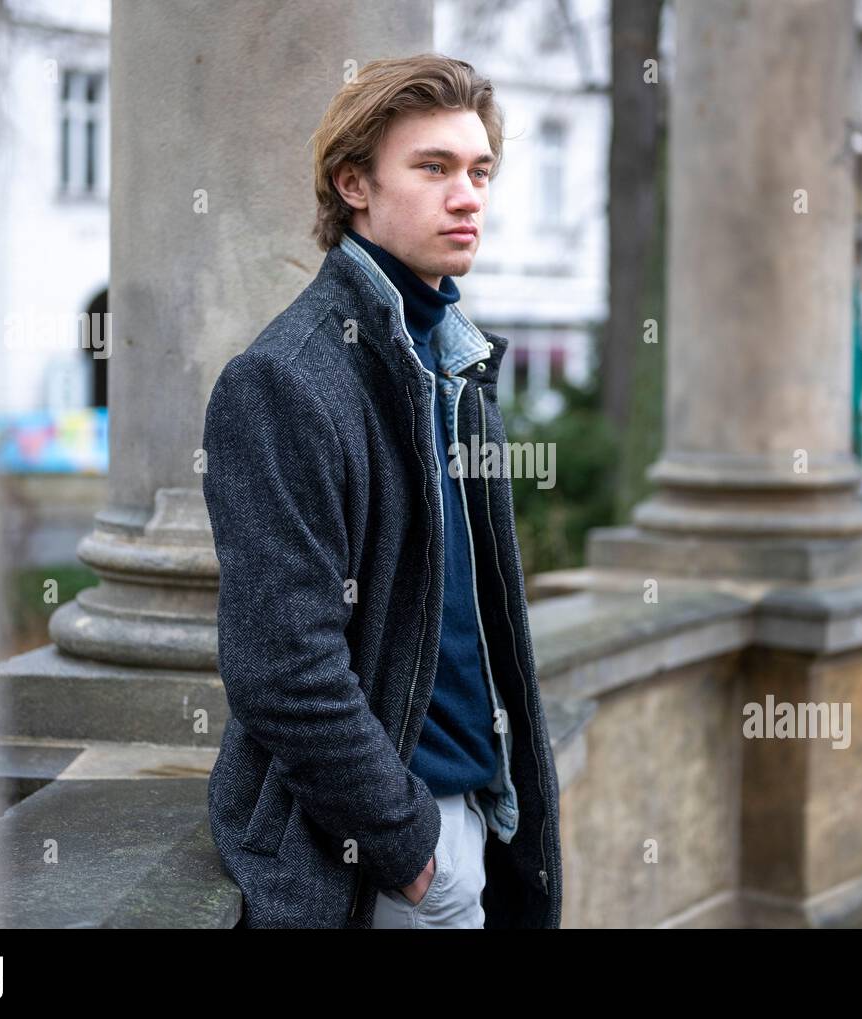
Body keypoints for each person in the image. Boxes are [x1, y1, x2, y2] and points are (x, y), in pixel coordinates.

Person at [200, 53, 561, 929]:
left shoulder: (454, 364)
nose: (468, 195)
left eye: (479, 171)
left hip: (480, 811)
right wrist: (407, 847)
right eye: (433, 168)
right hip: (382, 853)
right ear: (352, 183)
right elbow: (282, 666)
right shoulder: (285, 381)